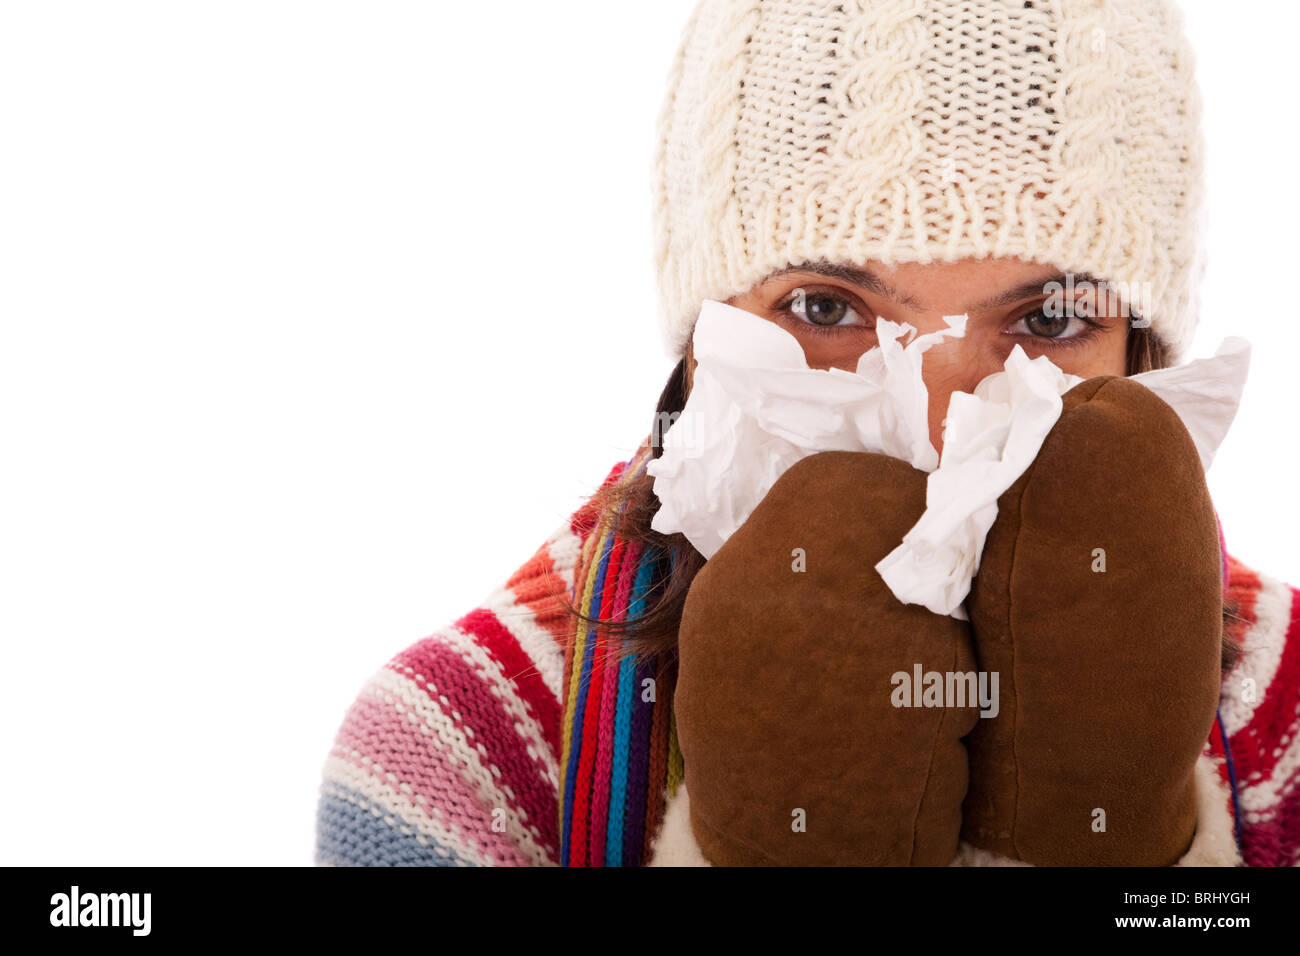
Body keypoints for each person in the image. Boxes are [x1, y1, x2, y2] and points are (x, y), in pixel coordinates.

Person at [312, 0, 1300, 867]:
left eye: (1044, 322)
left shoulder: (1285, 725)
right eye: (828, 309)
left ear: (1142, 355)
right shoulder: (459, 754)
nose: (939, 421)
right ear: (704, 335)